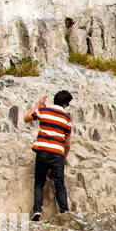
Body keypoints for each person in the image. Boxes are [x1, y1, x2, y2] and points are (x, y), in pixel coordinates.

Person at [24, 90, 73, 221]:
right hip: (57, 153)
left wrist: (38, 105)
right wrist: (64, 157)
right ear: (66, 104)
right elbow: (67, 144)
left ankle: (37, 210)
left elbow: (26, 118)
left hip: (42, 151)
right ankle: (64, 211)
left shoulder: (44, 111)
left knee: (39, 182)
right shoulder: (67, 118)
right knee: (59, 183)